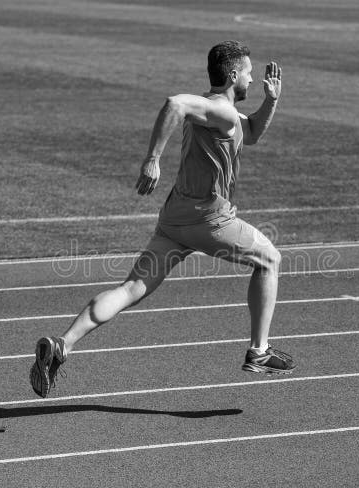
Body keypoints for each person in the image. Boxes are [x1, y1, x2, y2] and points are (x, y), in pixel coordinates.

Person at [30, 40, 295, 398]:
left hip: (175, 219)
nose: (252, 78)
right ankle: (259, 352)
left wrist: (272, 101)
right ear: (233, 75)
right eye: (248, 72)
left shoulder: (218, 112)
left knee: (130, 289)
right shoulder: (222, 111)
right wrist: (153, 158)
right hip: (210, 220)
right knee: (270, 260)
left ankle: (63, 343)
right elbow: (175, 103)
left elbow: (251, 135)